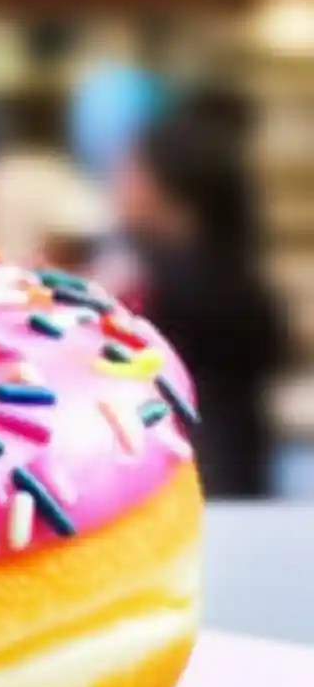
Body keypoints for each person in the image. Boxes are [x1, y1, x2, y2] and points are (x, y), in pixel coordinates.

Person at [116, 90, 291, 497]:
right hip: (243, 473)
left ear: (163, 188)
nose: (120, 181)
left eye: (131, 169)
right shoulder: (241, 277)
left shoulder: (150, 288)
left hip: (183, 483)